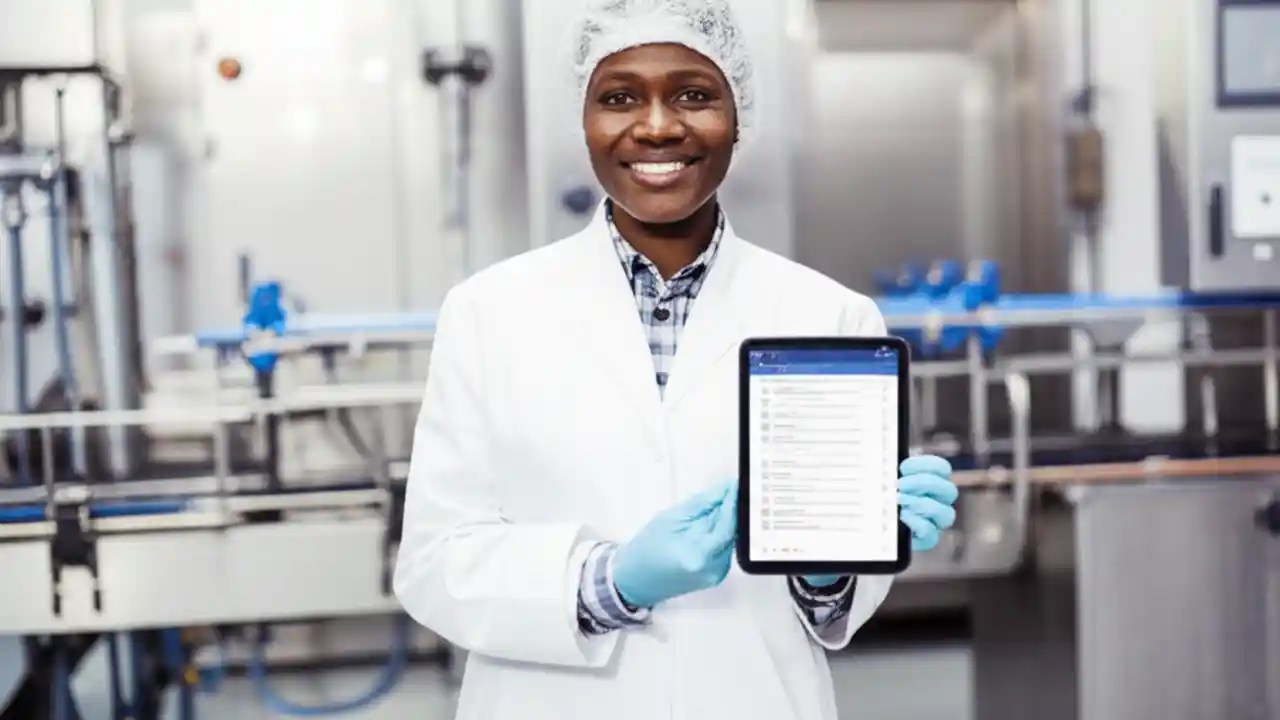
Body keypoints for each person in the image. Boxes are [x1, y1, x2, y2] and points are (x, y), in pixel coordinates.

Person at [393, 1, 958, 718]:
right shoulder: (487, 313)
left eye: (694, 94)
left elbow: (831, 611)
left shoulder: (831, 317)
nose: (657, 125)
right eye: (619, 97)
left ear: (738, 115)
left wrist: (829, 568)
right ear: (585, 120)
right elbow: (435, 563)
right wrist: (612, 581)